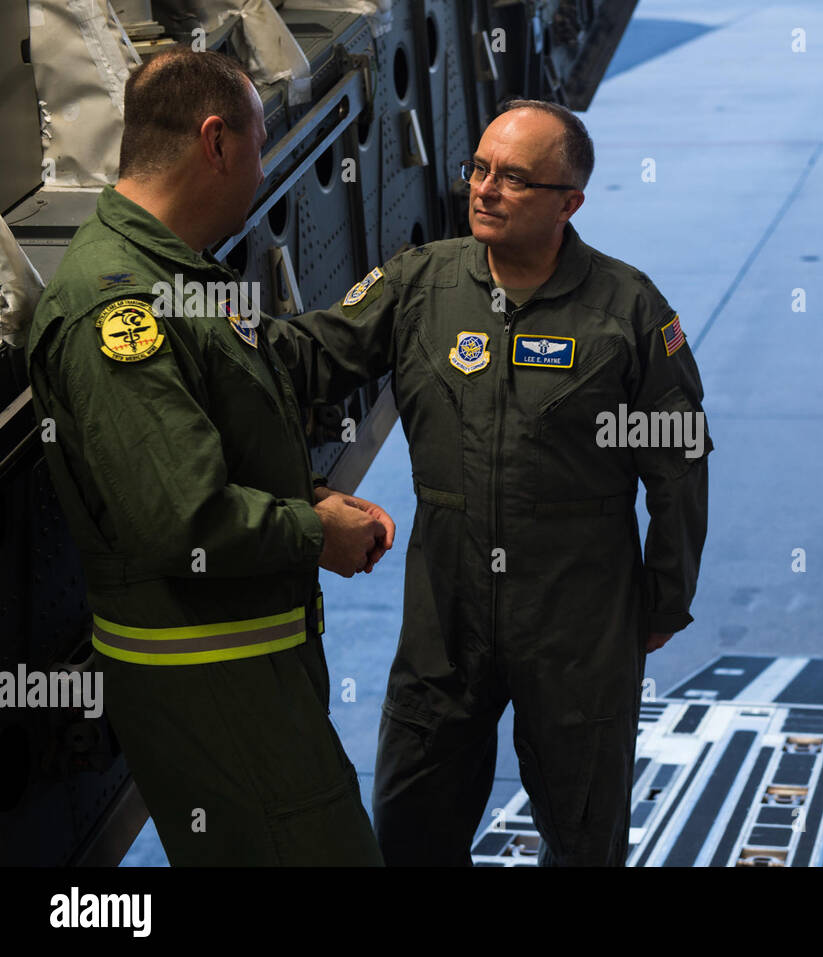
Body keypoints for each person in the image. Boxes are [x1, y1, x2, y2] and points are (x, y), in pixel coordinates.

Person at [269, 99, 712, 865]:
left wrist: (665, 596)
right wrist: (200, 324)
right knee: (411, 828)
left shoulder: (626, 310)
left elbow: (679, 466)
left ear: (568, 202)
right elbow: (302, 360)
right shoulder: (420, 287)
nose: (484, 188)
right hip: (446, 616)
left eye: (514, 177)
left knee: (583, 836)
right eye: (478, 168)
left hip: (579, 622)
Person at [25, 49, 393, 865]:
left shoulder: (173, 270)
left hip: (247, 668)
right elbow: (182, 516)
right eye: (260, 149)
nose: (263, 172)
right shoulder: (119, 311)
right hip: (215, 685)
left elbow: (262, 360)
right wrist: (315, 532)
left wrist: (396, 297)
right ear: (216, 142)